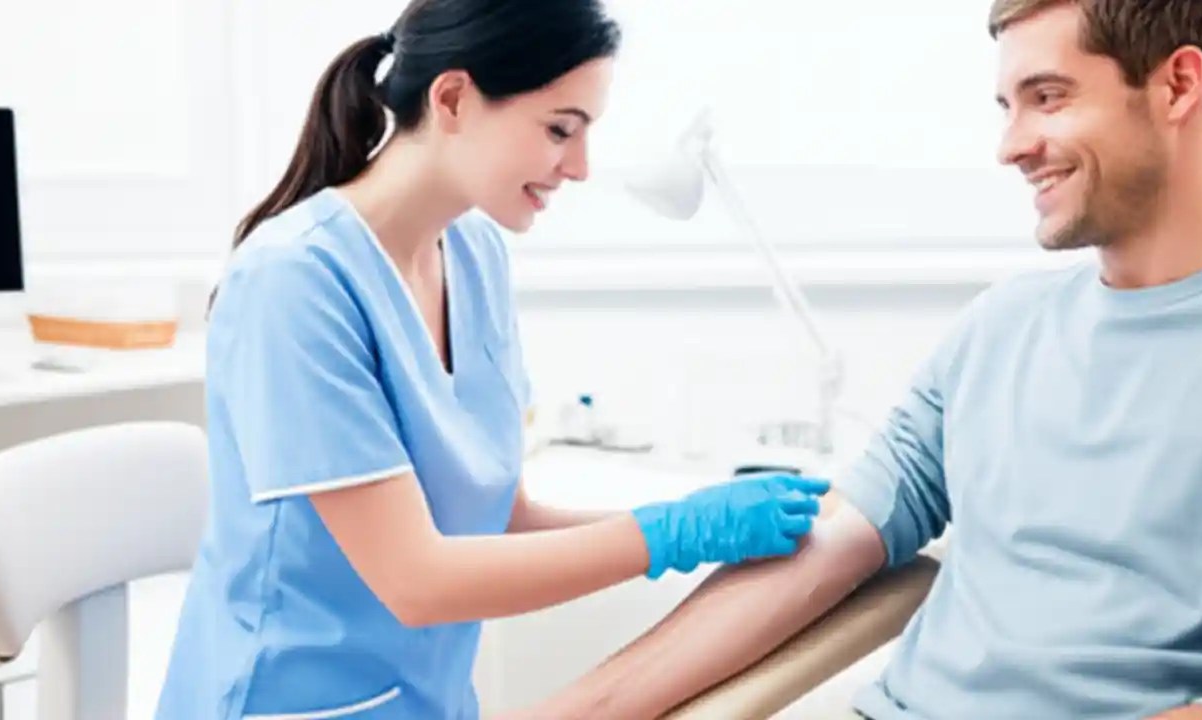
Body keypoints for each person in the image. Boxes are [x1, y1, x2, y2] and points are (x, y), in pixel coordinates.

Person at [510, 1, 1202, 719]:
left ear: (1178, 84)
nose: (1011, 145)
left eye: (1047, 98)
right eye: (1006, 107)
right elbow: (834, 544)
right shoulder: (999, 331)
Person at [154, 1, 832, 718]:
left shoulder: (474, 255)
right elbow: (416, 579)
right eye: (558, 129)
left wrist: (681, 521)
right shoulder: (294, 284)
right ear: (452, 99)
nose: (579, 166)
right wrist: (670, 536)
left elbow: (499, 524)